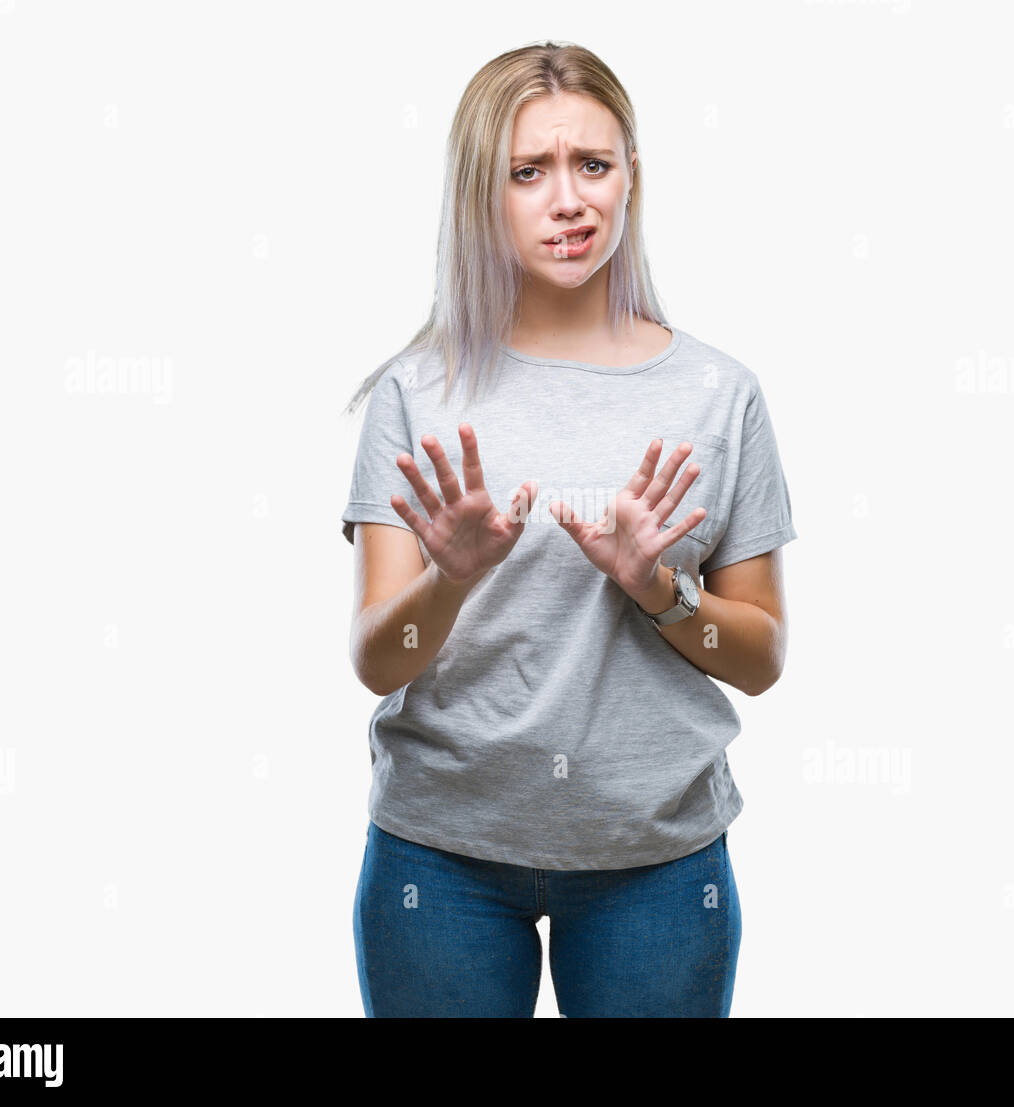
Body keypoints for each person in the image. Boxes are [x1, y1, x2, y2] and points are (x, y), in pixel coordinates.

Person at [340, 41, 797, 1018]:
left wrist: (660, 592)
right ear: (481, 192)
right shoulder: (413, 395)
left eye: (594, 164)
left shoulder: (719, 395)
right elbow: (381, 661)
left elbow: (758, 659)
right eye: (528, 171)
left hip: (658, 864)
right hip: (440, 861)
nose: (569, 200)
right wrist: (451, 578)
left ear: (632, 176)